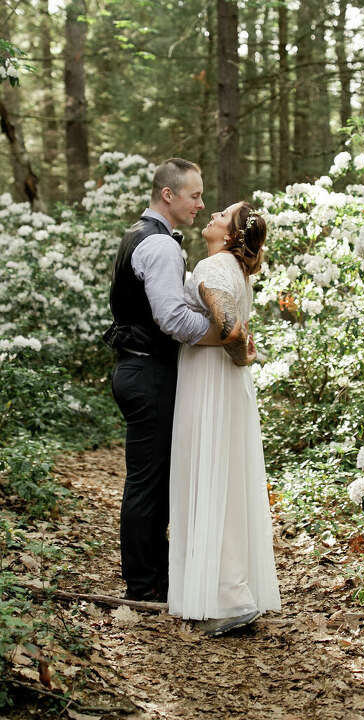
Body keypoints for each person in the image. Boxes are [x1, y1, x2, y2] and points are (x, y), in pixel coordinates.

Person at [103, 158, 241, 603]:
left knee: (154, 479)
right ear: (169, 195)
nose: (201, 203)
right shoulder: (159, 246)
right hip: (146, 372)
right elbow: (172, 319)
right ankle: (144, 588)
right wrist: (222, 339)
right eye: (194, 195)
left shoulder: (137, 236)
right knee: (148, 482)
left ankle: (156, 580)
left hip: (138, 368)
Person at [169, 201, 280, 636]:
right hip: (224, 383)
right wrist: (242, 354)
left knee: (211, 475)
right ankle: (231, 590)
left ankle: (228, 597)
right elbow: (239, 333)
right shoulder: (234, 270)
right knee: (226, 480)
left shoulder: (214, 267)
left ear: (232, 235)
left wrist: (237, 352)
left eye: (221, 214)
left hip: (210, 382)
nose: (212, 214)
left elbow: (231, 329)